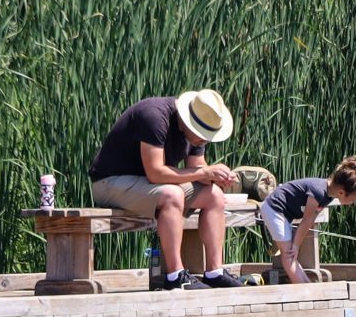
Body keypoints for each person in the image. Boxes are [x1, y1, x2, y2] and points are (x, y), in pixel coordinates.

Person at [89, 89, 244, 290]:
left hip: (152, 184)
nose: (204, 140)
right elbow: (155, 173)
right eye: (201, 135)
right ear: (188, 121)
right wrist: (202, 174)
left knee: (214, 195)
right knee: (173, 195)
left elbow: (196, 165)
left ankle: (214, 272)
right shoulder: (154, 116)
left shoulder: (198, 129)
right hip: (111, 182)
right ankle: (175, 276)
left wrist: (215, 175)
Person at [260, 156, 356, 284]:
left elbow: (309, 221)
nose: (353, 202)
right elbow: (306, 221)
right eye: (354, 198)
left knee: (291, 255)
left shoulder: (328, 195)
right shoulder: (318, 192)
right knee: (288, 255)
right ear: (341, 192)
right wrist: (295, 245)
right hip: (274, 208)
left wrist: (296, 245)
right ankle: (305, 292)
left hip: (285, 214)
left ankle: (308, 286)